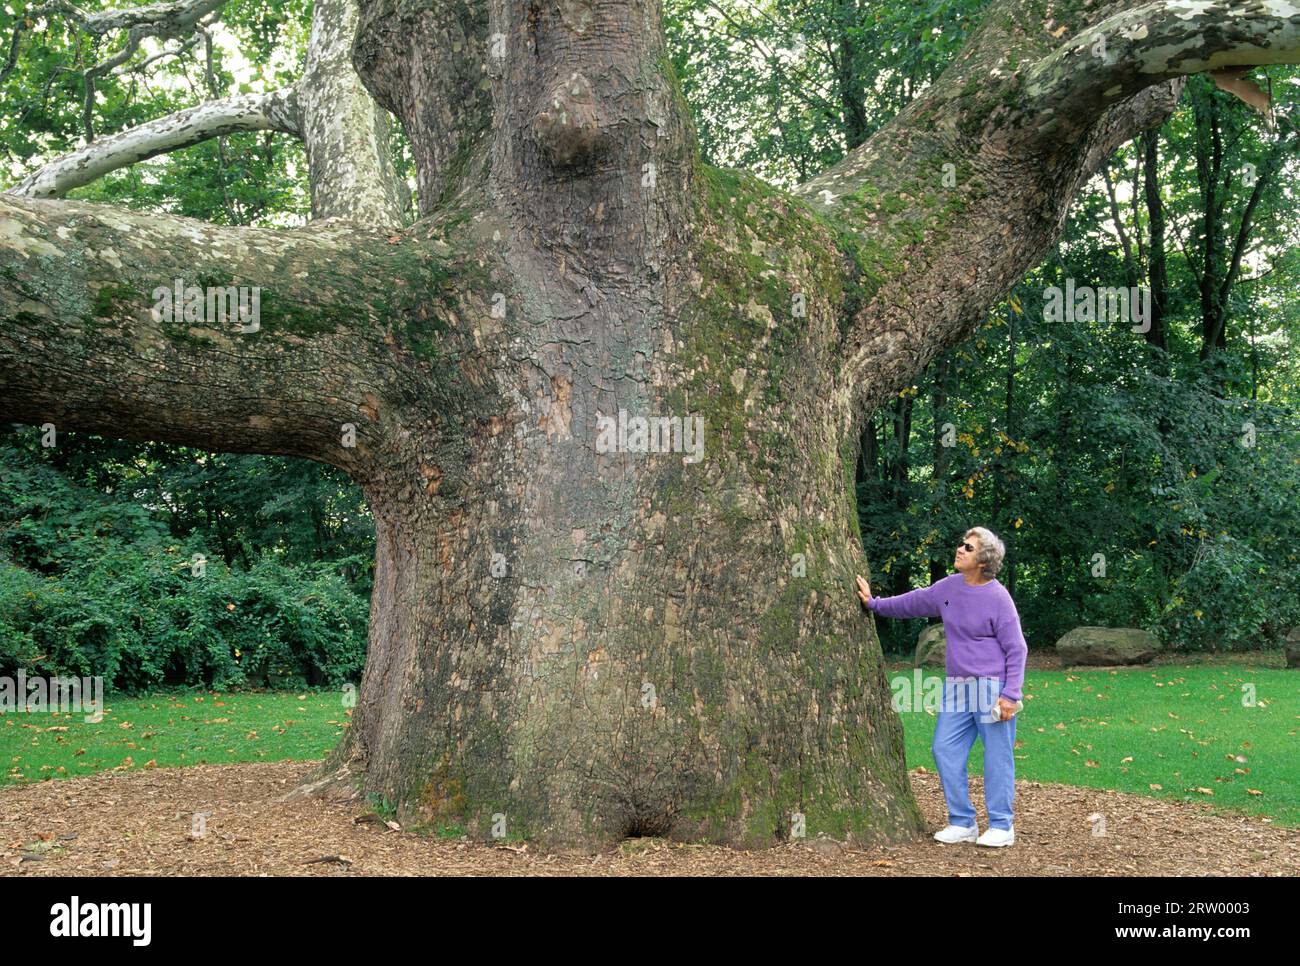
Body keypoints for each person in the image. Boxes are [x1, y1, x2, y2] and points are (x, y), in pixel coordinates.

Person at [855, 527, 1028, 847]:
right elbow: (913, 602)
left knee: (997, 755)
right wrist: (873, 603)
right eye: (961, 544)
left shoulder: (998, 598)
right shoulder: (948, 588)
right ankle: (963, 822)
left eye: (969, 547)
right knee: (944, 748)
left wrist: (1010, 695)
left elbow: (1017, 649)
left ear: (983, 560)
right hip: (958, 686)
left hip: (992, 687)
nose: (960, 549)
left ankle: (1002, 825)